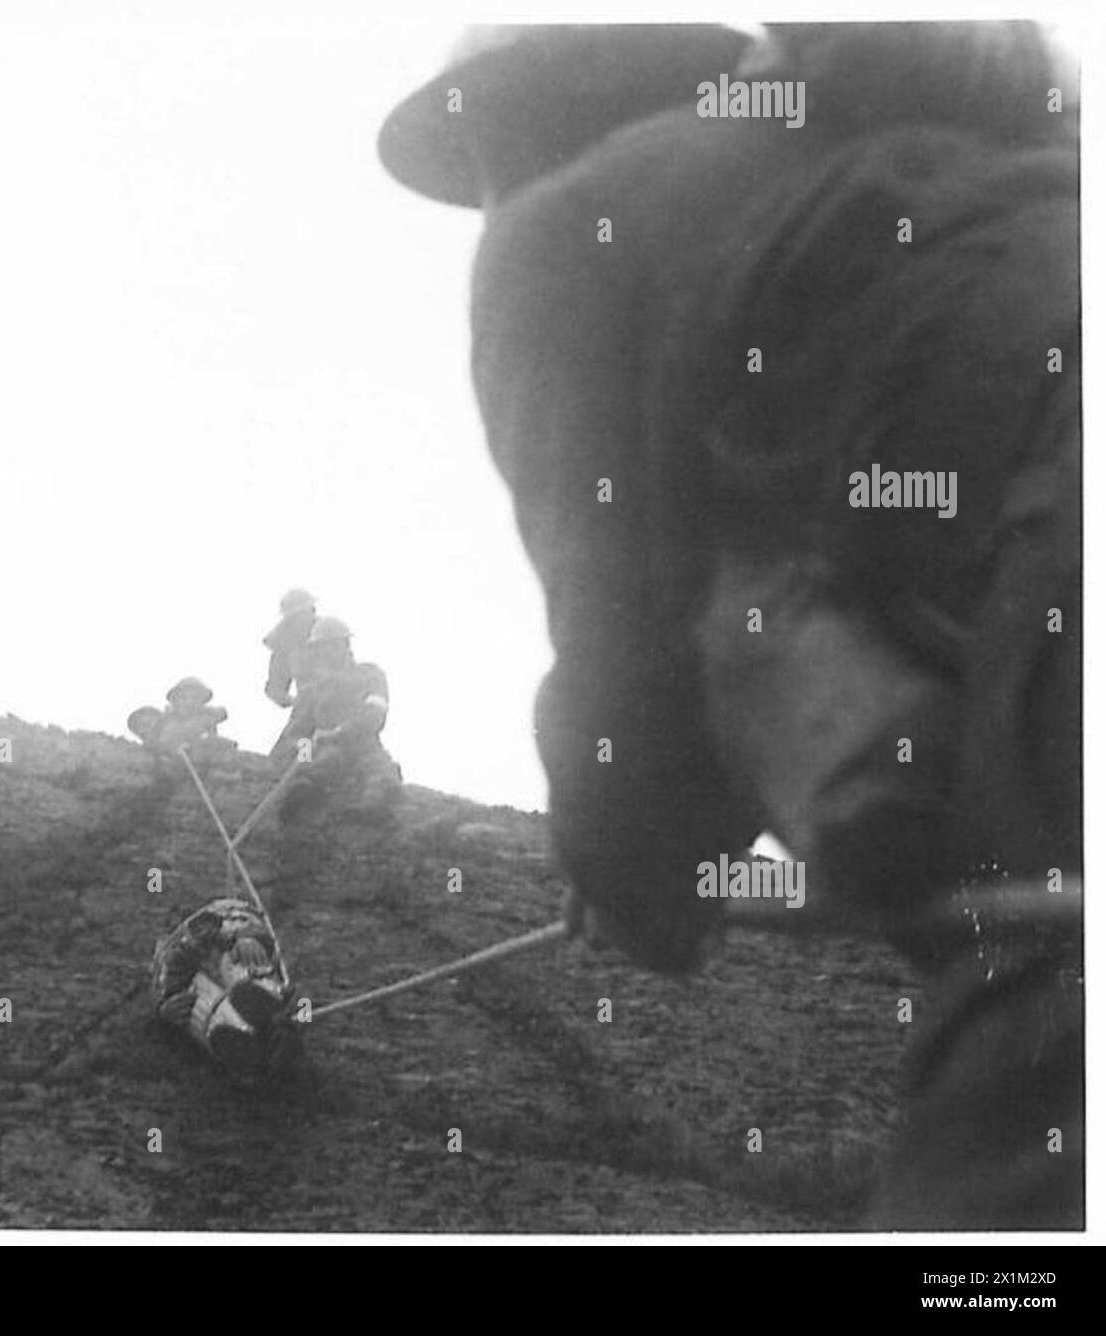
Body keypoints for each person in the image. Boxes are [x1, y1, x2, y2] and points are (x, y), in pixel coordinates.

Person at [379, 21, 1080, 1229]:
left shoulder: (562, 232)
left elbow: (620, 651)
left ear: (494, 129)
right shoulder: (897, 167)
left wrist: (626, 856)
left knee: (1024, 1118)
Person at [276, 616, 402, 823]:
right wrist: (308, 753)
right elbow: (297, 734)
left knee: (384, 781)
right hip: (324, 752)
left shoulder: (369, 675)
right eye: (321, 647)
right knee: (310, 777)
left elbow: (375, 713)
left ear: (345, 645)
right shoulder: (311, 690)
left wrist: (340, 733)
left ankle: (366, 818)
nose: (326, 652)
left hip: (365, 746)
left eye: (331, 645)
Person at [151, 898, 293, 1064]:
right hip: (216, 1021)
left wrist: (248, 939)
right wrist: (164, 1011)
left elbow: (252, 925)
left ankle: (272, 1016)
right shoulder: (174, 963)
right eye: (203, 956)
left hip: (254, 988)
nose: (208, 961)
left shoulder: (230, 934)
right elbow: (162, 989)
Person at [263, 589, 318, 759]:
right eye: (297, 616)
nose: (304, 619)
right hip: (307, 715)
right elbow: (275, 688)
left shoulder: (330, 636)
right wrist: (296, 701)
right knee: (298, 757)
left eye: (306, 613)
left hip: (341, 710)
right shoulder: (285, 646)